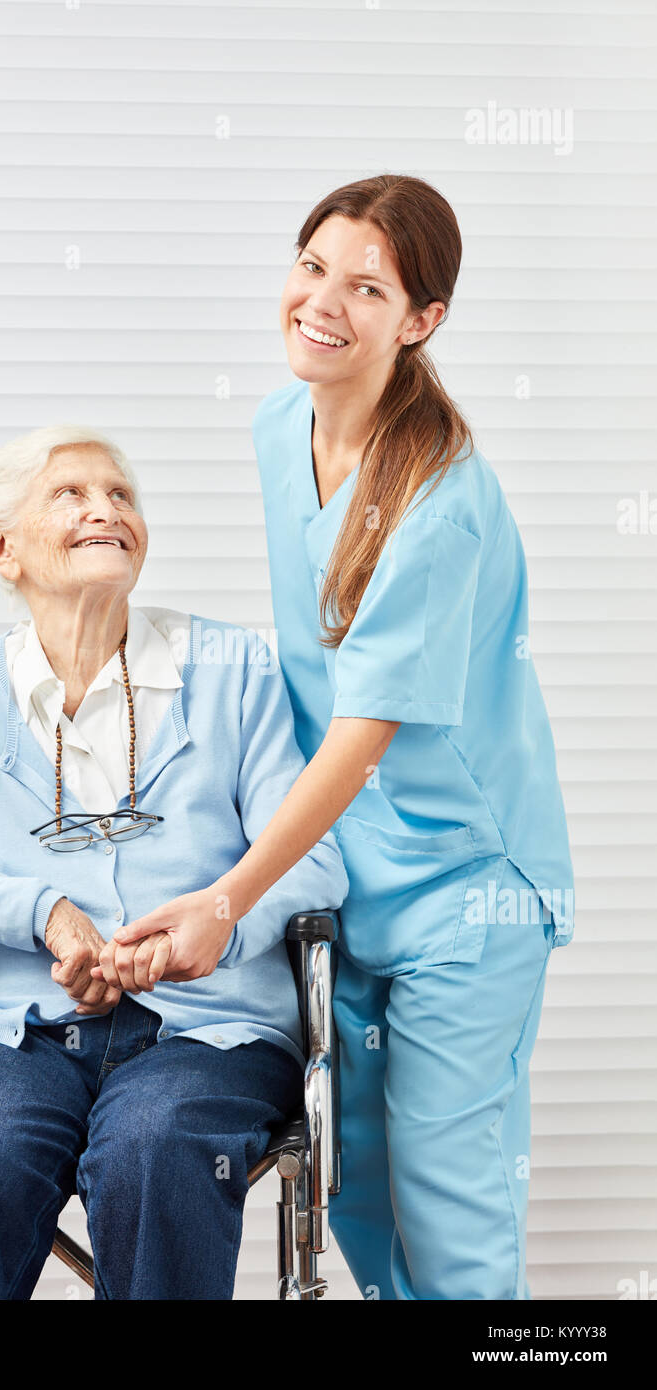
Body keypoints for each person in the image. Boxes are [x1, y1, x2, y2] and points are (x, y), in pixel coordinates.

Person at [106, 175, 576, 1300]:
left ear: (420, 320)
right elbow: (308, 665)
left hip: (465, 884)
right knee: (355, 1185)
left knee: (444, 1196)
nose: (323, 301)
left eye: (367, 287)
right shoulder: (282, 423)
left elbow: (361, 728)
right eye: (312, 266)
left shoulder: (440, 497)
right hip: (343, 866)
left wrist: (229, 896)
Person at [0, 424, 348, 1300]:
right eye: (69, 495)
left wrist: (218, 923)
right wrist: (36, 912)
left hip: (206, 1027)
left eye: (120, 496)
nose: (104, 510)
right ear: (1, 546)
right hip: (4, 1030)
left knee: (157, 1146)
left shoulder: (234, 670)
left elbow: (316, 863)